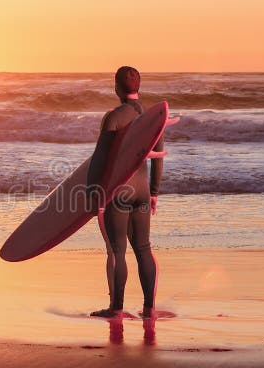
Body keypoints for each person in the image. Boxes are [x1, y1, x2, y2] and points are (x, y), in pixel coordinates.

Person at [86, 66, 163, 319]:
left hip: (119, 190)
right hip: (142, 189)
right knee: (143, 248)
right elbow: (158, 158)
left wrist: (92, 191)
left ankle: (116, 309)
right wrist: (153, 192)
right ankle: (150, 309)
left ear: (116, 87)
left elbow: (99, 159)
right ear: (138, 86)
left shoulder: (114, 118)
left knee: (118, 250)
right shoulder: (153, 117)